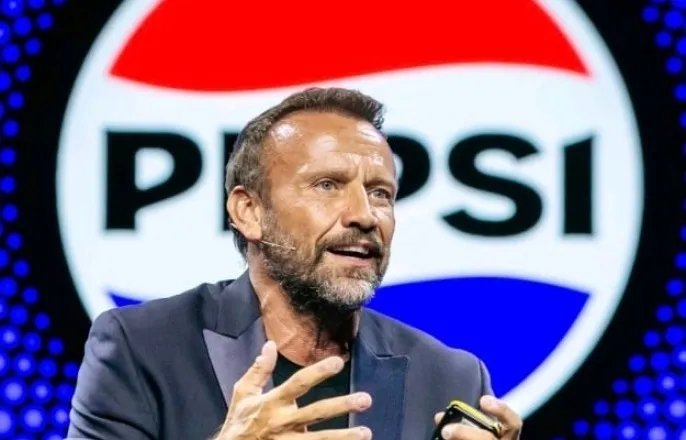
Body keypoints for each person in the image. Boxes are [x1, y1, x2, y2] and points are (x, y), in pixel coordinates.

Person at [66, 87, 523, 440]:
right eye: (327, 185)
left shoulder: (451, 377)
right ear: (249, 212)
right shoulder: (140, 349)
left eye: (380, 193)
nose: (364, 215)